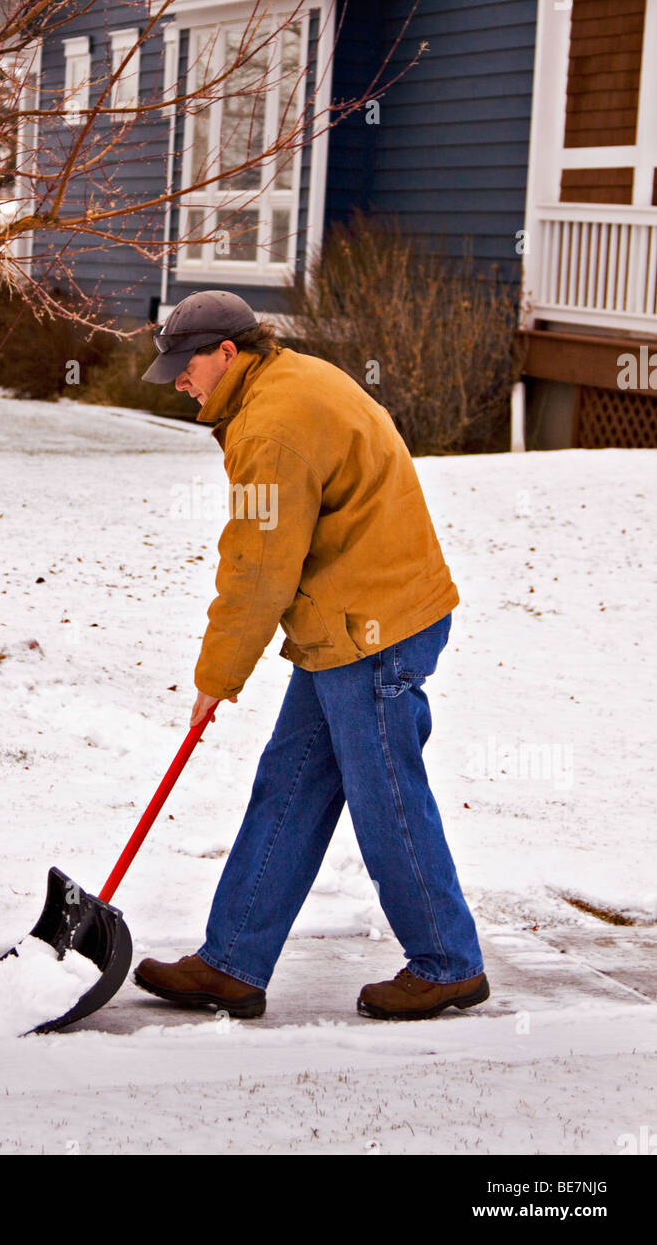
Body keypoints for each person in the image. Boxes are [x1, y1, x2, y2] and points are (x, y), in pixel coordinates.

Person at [133, 290, 488, 1021]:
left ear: (228, 353)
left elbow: (259, 571)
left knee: (386, 797)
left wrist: (217, 677)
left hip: (371, 630)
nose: (179, 381)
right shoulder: (288, 377)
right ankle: (232, 962)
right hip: (350, 620)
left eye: (186, 365)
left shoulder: (271, 428)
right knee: (291, 784)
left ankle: (448, 962)